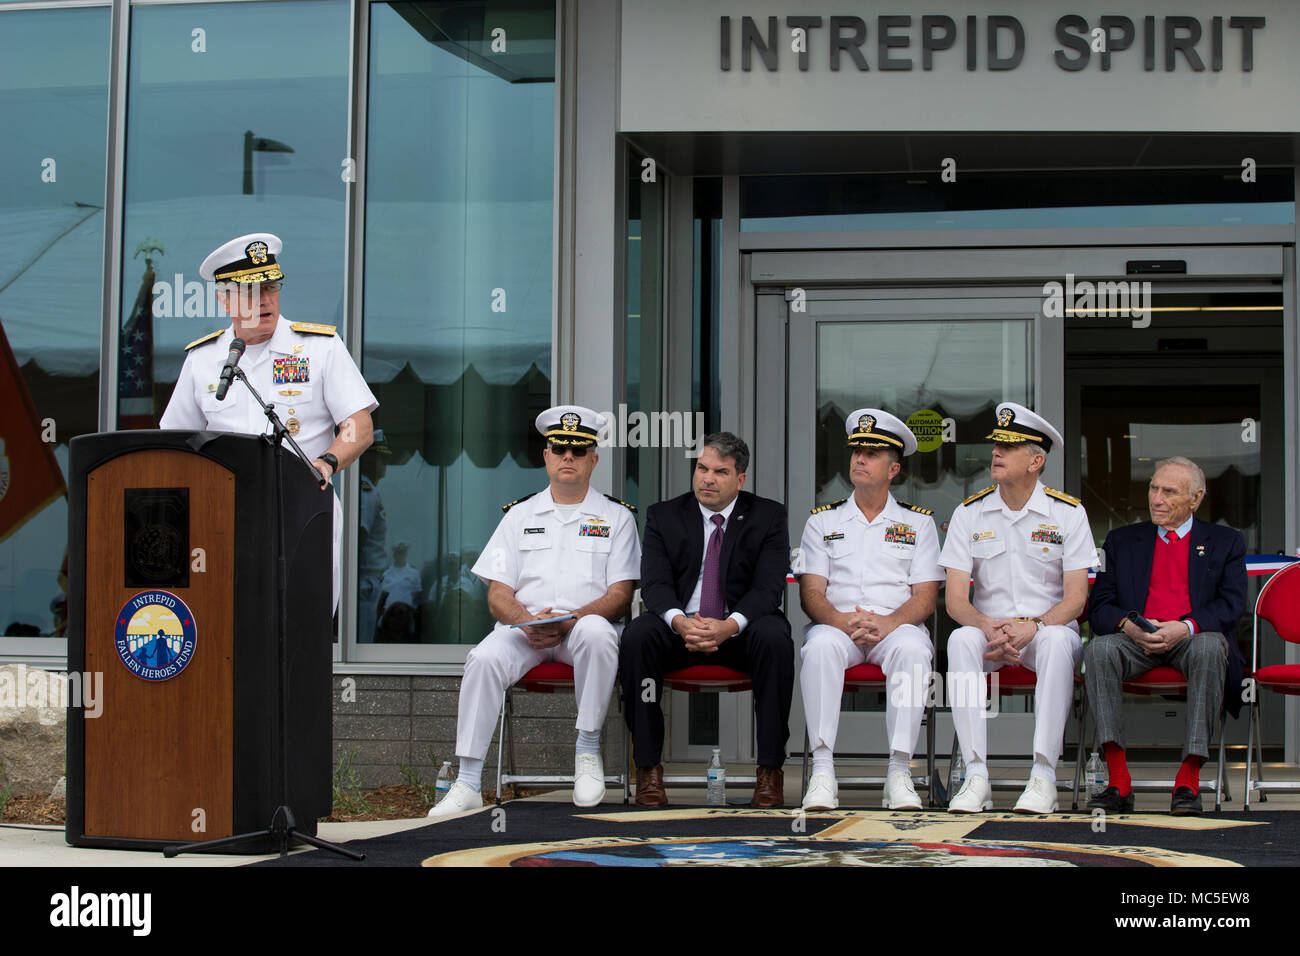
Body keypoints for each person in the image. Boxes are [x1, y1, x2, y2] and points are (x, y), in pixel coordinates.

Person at [428, 405, 641, 816]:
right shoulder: (518, 516)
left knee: (599, 634)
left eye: (578, 451)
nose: (568, 457)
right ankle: (469, 780)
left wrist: (570, 621)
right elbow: (498, 593)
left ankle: (587, 751)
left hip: (580, 628)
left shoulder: (617, 517)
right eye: (559, 448)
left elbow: (621, 593)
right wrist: (528, 623)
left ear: (593, 459)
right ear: (545, 456)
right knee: (483, 658)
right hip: (526, 631)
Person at [160, 233, 376, 610]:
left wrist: (327, 462)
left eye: (271, 288)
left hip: (301, 511)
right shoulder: (203, 360)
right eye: (249, 291)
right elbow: (175, 443)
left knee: (300, 631)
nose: (264, 300)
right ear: (224, 299)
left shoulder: (318, 348)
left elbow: (358, 425)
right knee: (230, 630)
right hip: (225, 518)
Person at [620, 432, 792, 808]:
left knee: (775, 636)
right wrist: (680, 622)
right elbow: (654, 584)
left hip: (738, 635)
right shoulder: (664, 515)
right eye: (701, 468)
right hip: (679, 633)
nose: (707, 479)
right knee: (638, 635)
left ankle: (769, 771)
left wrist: (729, 625)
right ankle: (647, 769)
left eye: (720, 472)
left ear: (740, 480)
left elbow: (768, 589)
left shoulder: (768, 516)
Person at [941, 402, 1094, 814]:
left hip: (1045, 633)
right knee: (960, 640)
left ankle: (1043, 776)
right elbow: (955, 599)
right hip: (990, 632)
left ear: (1036, 461)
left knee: (1062, 643)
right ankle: (975, 775)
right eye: (996, 445)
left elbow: (1076, 598)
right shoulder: (968, 512)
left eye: (1009, 446)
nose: (996, 452)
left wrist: (1034, 626)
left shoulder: (1068, 513)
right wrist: (987, 626)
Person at [796, 409, 943, 811]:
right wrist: (843, 621)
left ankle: (899, 771)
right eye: (856, 451)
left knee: (914, 650)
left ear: (893, 468)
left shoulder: (918, 524)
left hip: (896, 627)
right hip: (836, 625)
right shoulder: (822, 521)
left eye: (871, 454)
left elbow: (926, 596)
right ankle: (823, 771)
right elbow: (811, 593)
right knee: (820, 648)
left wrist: (888, 622)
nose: (859, 459)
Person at [1084, 456, 1246, 815]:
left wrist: (1185, 626)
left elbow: (1232, 605)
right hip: (1137, 639)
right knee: (1099, 650)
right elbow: (1100, 607)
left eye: (1169, 491)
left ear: (1196, 498)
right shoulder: (1121, 540)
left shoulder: (1226, 541)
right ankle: (1118, 781)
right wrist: (1129, 626)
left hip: (1192, 638)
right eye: (1153, 488)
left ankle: (1187, 781)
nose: (1156, 498)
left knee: (1208, 646)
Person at [358, 431, 392, 641]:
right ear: (368, 460)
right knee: (363, 635)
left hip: (369, 578)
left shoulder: (370, 490)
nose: (384, 466)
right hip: (364, 580)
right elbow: (360, 536)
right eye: (380, 459)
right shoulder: (365, 491)